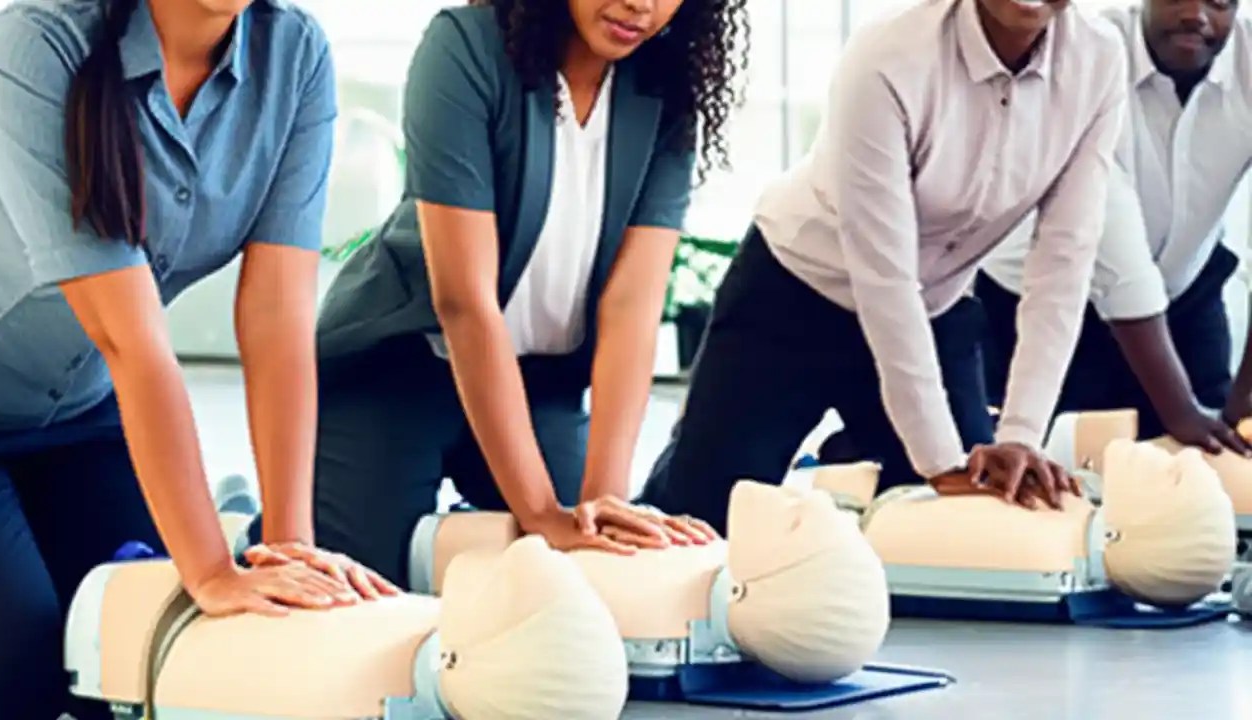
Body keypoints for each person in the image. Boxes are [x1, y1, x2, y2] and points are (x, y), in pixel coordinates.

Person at [0, 1, 395, 718]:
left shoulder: (293, 54)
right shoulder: (38, 39)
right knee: (18, 673)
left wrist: (287, 546)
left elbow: (277, 318)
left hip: (83, 413)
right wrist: (208, 569)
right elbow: (129, 336)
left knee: (156, 653)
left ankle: (225, 509)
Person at [636, 0, 1128, 535]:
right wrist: (939, 459)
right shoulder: (887, 57)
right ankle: (761, 451)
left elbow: (1064, 261)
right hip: (791, 296)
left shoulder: (1098, 61)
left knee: (973, 520)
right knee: (701, 520)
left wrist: (1021, 434)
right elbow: (884, 276)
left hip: (936, 307)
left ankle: (849, 457)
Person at [310, 0, 749, 587]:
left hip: (540, 385)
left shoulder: (668, 83)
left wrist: (605, 498)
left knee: (585, 572)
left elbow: (632, 306)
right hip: (398, 366)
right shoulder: (464, 47)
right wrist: (541, 512)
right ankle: (256, 522)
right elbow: (464, 301)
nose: (640, 4)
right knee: (366, 585)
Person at [979, 0, 1252, 457]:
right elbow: (1112, 240)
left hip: (1184, 294)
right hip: (1035, 302)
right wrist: (1180, 410)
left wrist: (1245, 398)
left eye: (1218, 1)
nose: (1196, 15)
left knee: (1209, 466)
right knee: (1013, 471)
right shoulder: (1087, 53)